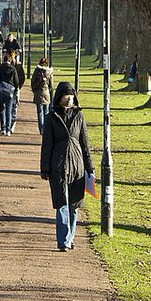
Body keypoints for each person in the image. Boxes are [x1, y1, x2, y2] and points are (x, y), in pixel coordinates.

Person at [40, 81, 93, 252]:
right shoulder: (51, 117)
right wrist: (45, 167)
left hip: (77, 166)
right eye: (66, 97)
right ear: (60, 97)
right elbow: (47, 144)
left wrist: (89, 167)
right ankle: (63, 240)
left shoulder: (79, 116)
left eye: (71, 97)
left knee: (74, 205)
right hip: (58, 166)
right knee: (62, 203)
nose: (69, 100)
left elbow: (85, 143)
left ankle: (70, 237)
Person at [0, 49, 25, 136]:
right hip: (10, 92)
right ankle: (8, 129)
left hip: (1, 91)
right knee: (9, 109)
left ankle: (2, 128)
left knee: (2, 110)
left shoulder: (0, 69)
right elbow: (17, 82)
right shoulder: (13, 69)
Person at [30, 57, 53, 133]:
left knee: (39, 112)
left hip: (38, 93)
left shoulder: (37, 70)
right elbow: (51, 85)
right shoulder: (49, 72)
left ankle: (41, 129)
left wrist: (34, 89)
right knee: (46, 112)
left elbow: (33, 81)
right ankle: (46, 128)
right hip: (46, 93)